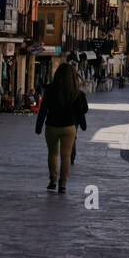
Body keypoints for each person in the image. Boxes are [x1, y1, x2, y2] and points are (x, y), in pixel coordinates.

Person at [35, 63, 88, 194]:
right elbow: (80, 111)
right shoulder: (75, 92)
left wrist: (38, 127)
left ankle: (53, 181)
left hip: (52, 126)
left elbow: (43, 110)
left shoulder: (50, 90)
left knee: (52, 154)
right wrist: (83, 125)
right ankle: (63, 184)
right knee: (66, 156)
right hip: (69, 127)